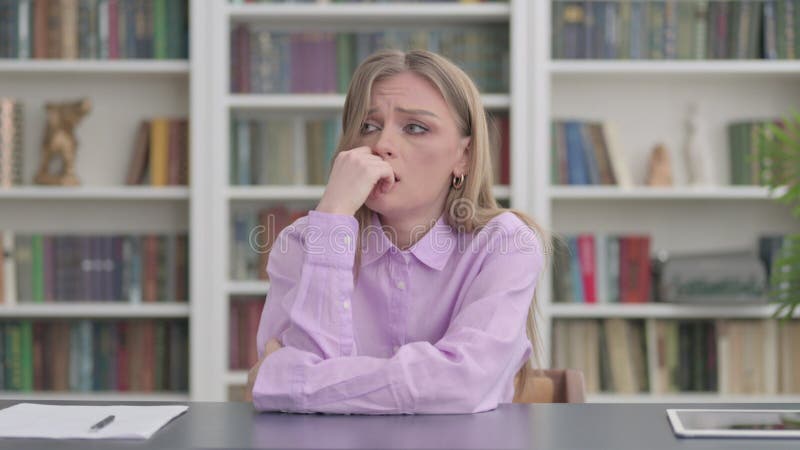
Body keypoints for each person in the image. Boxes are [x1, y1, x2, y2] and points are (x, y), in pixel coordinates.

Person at [246, 49, 549, 414]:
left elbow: (463, 384)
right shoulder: (301, 241)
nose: (381, 145)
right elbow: (304, 402)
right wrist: (334, 218)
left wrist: (294, 383)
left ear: (463, 157)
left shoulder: (505, 245)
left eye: (415, 128)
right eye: (369, 126)